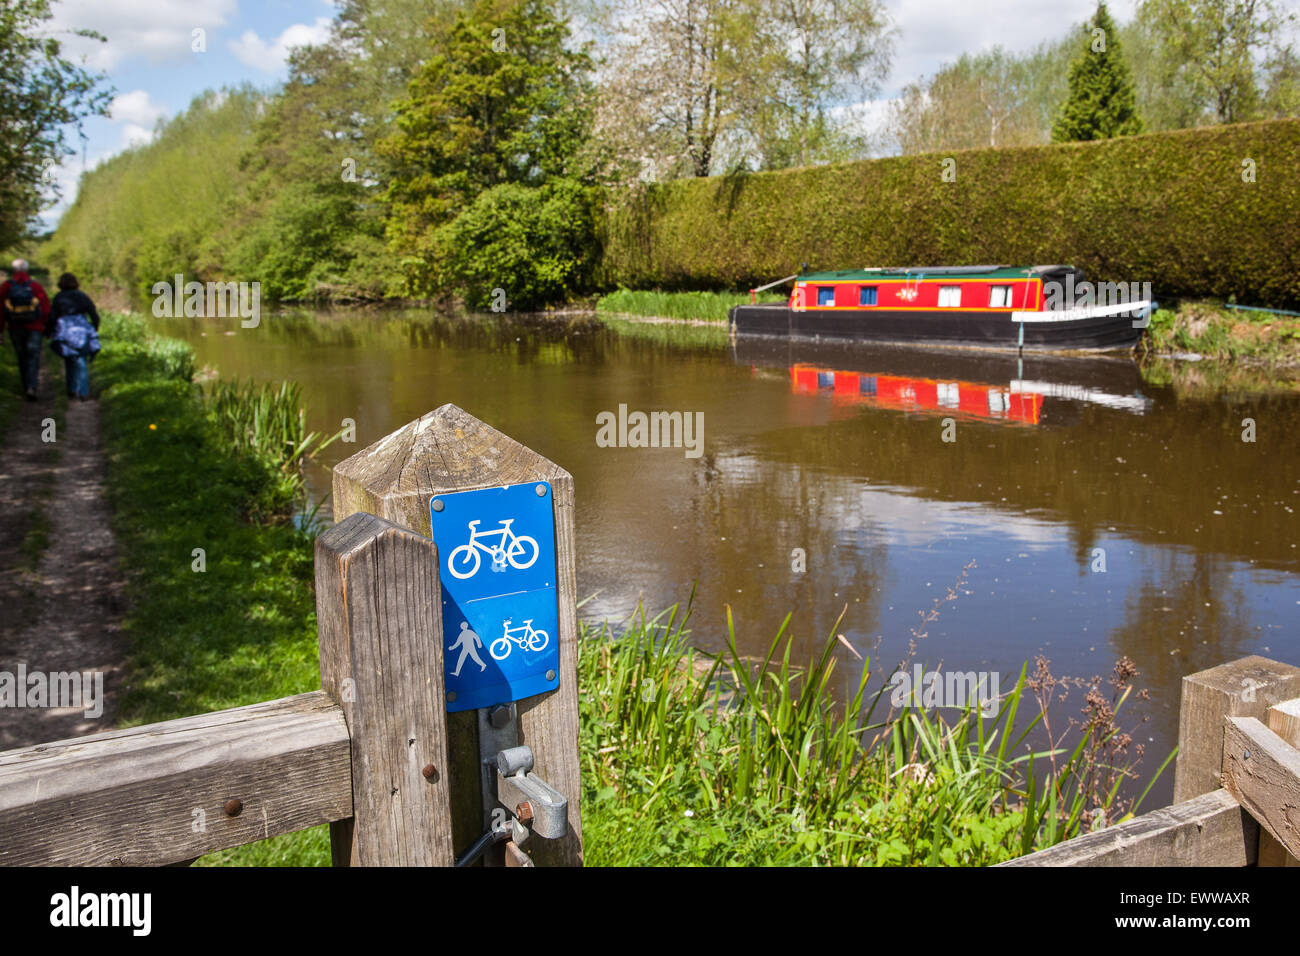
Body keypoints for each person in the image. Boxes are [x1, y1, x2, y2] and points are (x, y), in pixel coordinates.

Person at [0, 258, 52, 400]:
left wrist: (1, 330)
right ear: (27, 270)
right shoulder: (35, 286)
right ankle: (32, 386)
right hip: (34, 327)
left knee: (22, 356)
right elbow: (46, 307)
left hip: (15, 327)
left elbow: (0, 310)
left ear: (13, 270)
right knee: (33, 356)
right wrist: (46, 325)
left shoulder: (6, 286)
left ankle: (26, 386)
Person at [48, 273, 101, 401]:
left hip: (65, 330)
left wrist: (49, 331)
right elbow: (93, 312)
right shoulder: (82, 296)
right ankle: (83, 391)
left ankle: (71, 389)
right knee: (82, 360)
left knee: (69, 359)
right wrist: (94, 327)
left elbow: (52, 317)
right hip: (82, 330)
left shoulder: (58, 298)